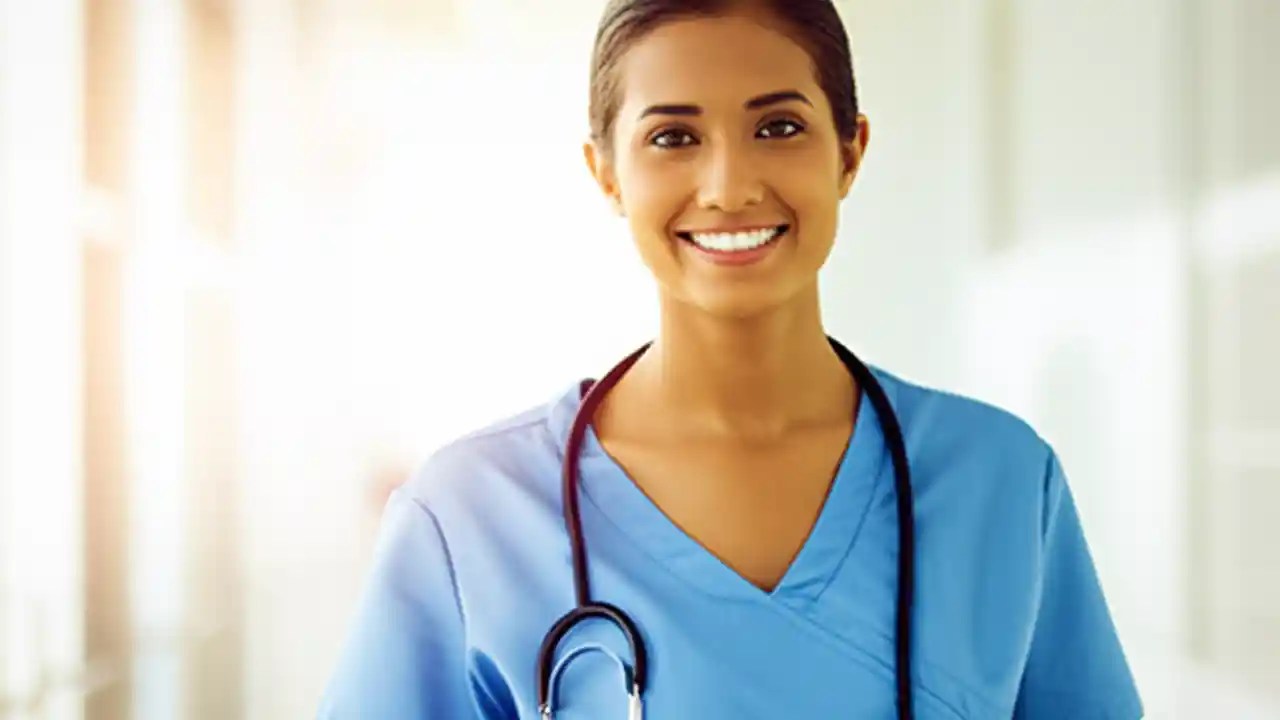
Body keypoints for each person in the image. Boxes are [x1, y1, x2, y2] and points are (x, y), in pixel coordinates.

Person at [318, 0, 1144, 717]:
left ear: (850, 152)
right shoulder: (472, 517)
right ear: (605, 172)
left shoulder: (999, 482)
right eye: (673, 136)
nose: (728, 184)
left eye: (778, 127)